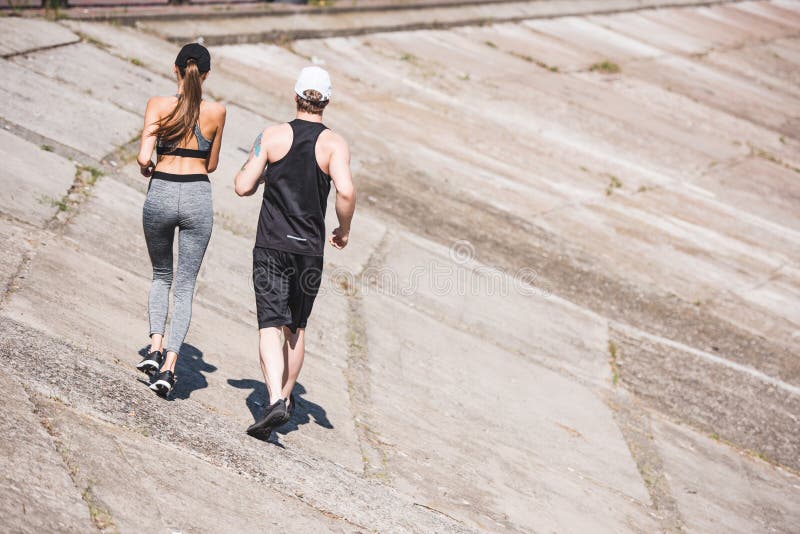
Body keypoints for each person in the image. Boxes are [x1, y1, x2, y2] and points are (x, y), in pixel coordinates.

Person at [234, 66, 355, 438]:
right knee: (295, 328)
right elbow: (347, 192)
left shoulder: (272, 135)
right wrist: (344, 230)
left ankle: (272, 399)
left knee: (270, 323)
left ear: (296, 95)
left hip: (271, 244)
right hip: (309, 251)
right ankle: (286, 398)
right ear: (327, 101)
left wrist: (262, 173)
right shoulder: (334, 144)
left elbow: (242, 186)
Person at [135, 43, 227, 397]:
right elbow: (212, 164)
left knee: (161, 276)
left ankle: (154, 346)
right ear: (205, 76)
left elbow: (145, 156)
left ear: (176, 70)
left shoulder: (157, 105)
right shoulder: (217, 111)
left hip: (160, 192)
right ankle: (170, 369)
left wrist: (150, 162)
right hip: (196, 198)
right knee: (185, 285)